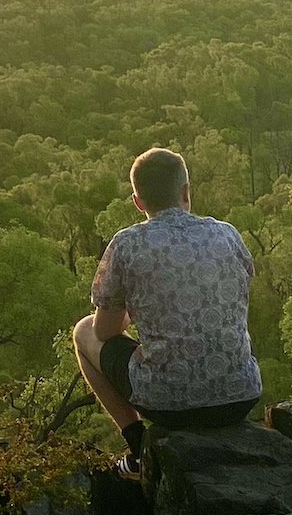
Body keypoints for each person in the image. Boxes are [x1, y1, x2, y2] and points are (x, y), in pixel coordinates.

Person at [73, 146, 262, 478]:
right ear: (186, 191)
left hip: (170, 404)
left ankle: (138, 448)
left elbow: (104, 332)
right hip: (240, 395)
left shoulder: (127, 244)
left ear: (138, 201)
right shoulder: (227, 234)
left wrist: (135, 306)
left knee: (82, 332)